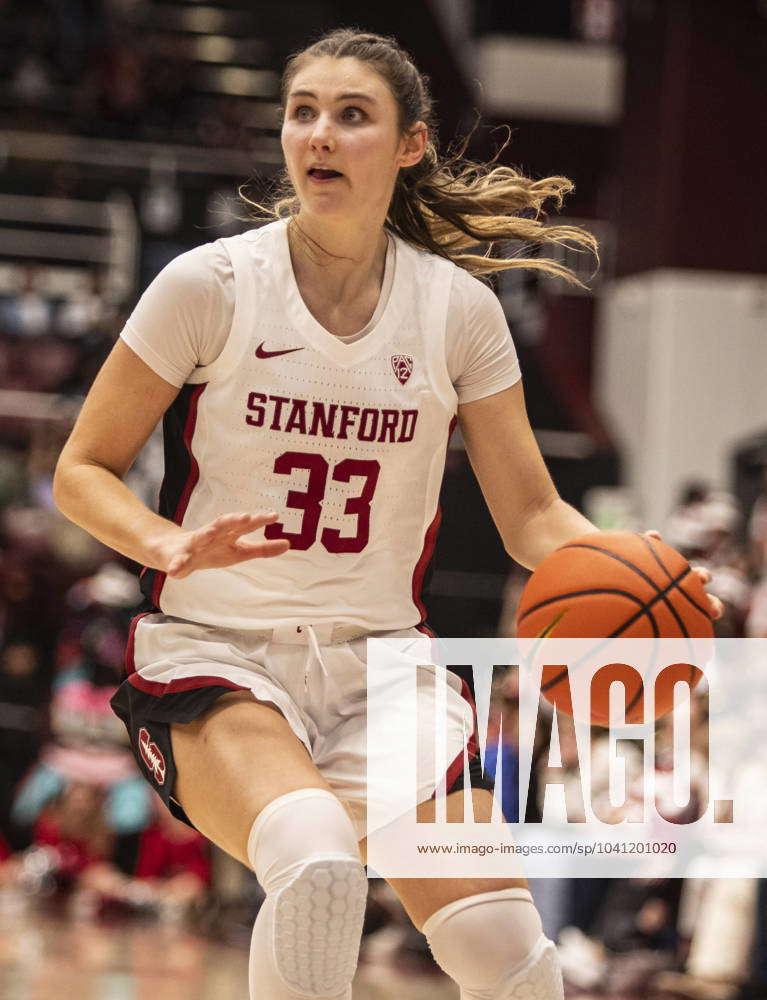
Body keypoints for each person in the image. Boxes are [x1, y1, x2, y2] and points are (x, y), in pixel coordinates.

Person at [52, 28, 721, 1000]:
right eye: (302, 112)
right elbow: (84, 469)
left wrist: (635, 570)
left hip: (381, 671)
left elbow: (532, 514)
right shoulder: (211, 286)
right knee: (317, 861)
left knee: (508, 951)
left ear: (409, 143)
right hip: (219, 653)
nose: (319, 133)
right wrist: (166, 542)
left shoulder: (454, 310)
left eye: (351, 115)